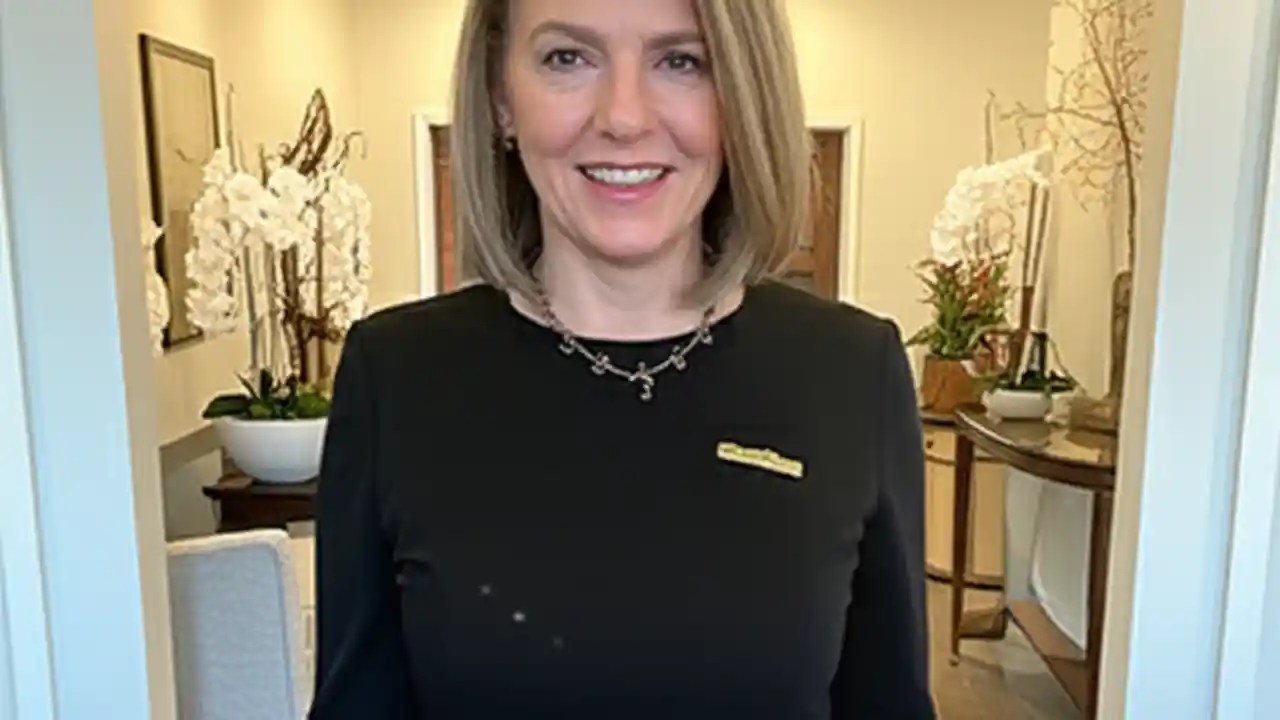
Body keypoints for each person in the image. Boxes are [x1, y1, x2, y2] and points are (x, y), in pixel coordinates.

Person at [308, 0, 934, 717]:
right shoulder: (395, 376)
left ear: (743, 95)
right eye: (567, 58)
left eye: (682, 61)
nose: (625, 116)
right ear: (499, 96)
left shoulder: (853, 370)